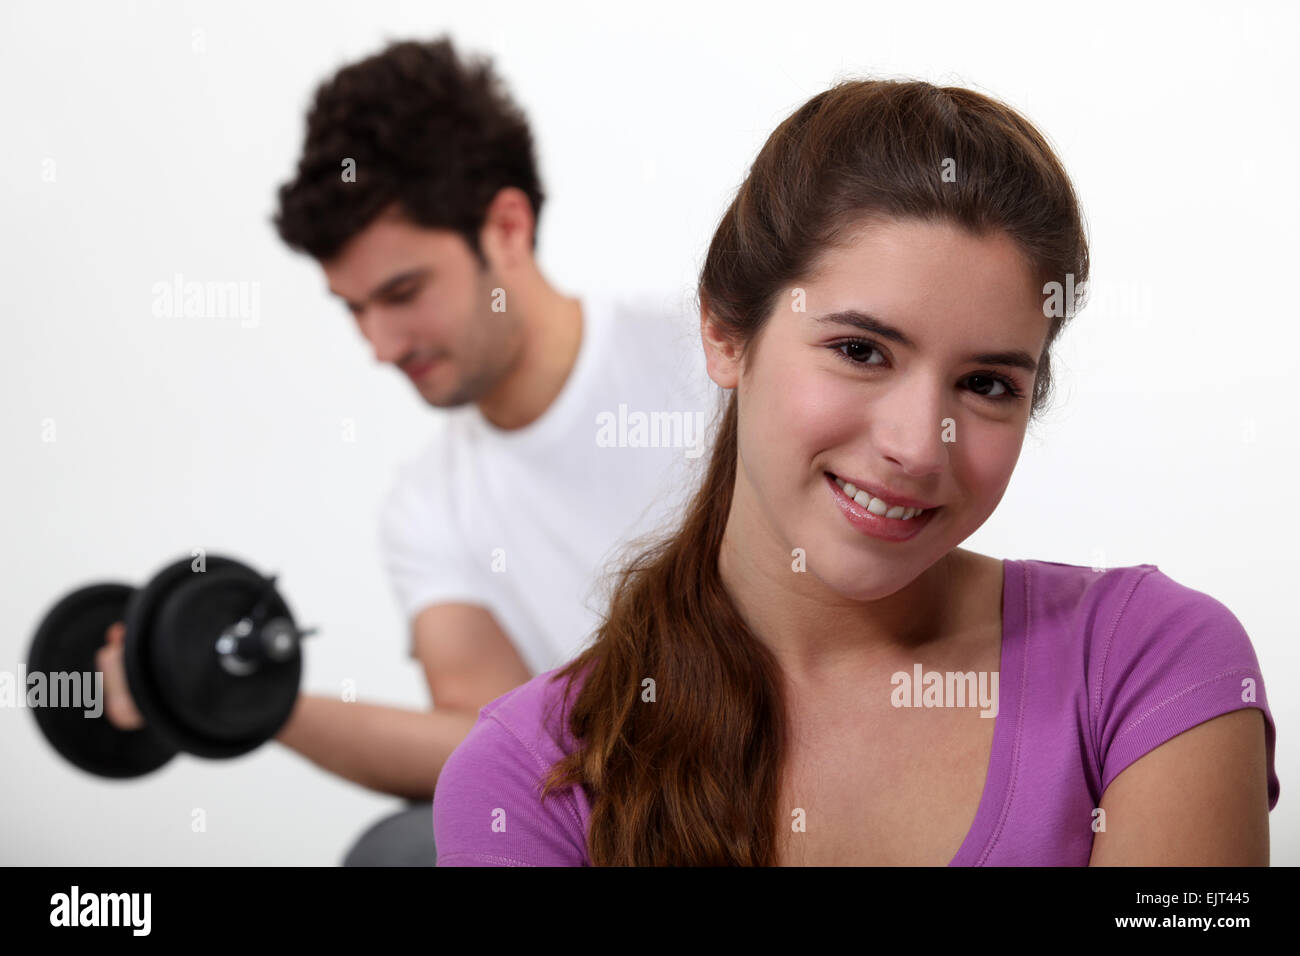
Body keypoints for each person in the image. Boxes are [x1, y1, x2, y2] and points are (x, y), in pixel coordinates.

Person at [431, 77, 1281, 866]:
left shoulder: (1153, 663)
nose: (917, 446)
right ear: (727, 334)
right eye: (860, 351)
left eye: (986, 385)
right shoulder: (531, 775)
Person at [94, 35, 711, 866]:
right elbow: (475, 738)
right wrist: (236, 697)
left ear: (506, 227)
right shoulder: (428, 504)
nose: (379, 345)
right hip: (638, 823)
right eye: (353, 309)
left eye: (402, 293)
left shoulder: (708, 360)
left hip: (804, 765)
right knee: (403, 850)